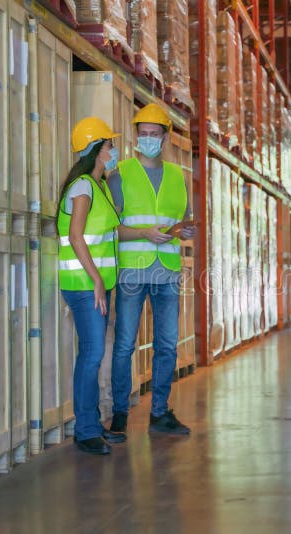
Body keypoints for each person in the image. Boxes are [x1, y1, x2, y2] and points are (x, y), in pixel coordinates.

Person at [58, 117, 148, 455]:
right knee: (93, 354)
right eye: (109, 145)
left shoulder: (97, 186)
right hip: (84, 285)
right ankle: (85, 431)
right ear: (96, 149)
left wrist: (145, 233)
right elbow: (75, 235)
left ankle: (93, 425)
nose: (113, 150)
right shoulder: (82, 186)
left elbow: (110, 233)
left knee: (94, 354)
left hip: (96, 284)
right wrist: (96, 280)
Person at [107, 103, 196, 437]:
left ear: (165, 138)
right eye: (142, 134)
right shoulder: (121, 174)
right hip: (131, 270)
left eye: (153, 134)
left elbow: (182, 221)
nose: (147, 139)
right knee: (125, 345)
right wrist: (144, 233)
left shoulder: (177, 177)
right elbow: (111, 227)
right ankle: (119, 414)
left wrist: (185, 232)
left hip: (167, 270)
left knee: (168, 345)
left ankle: (159, 413)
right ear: (136, 136)